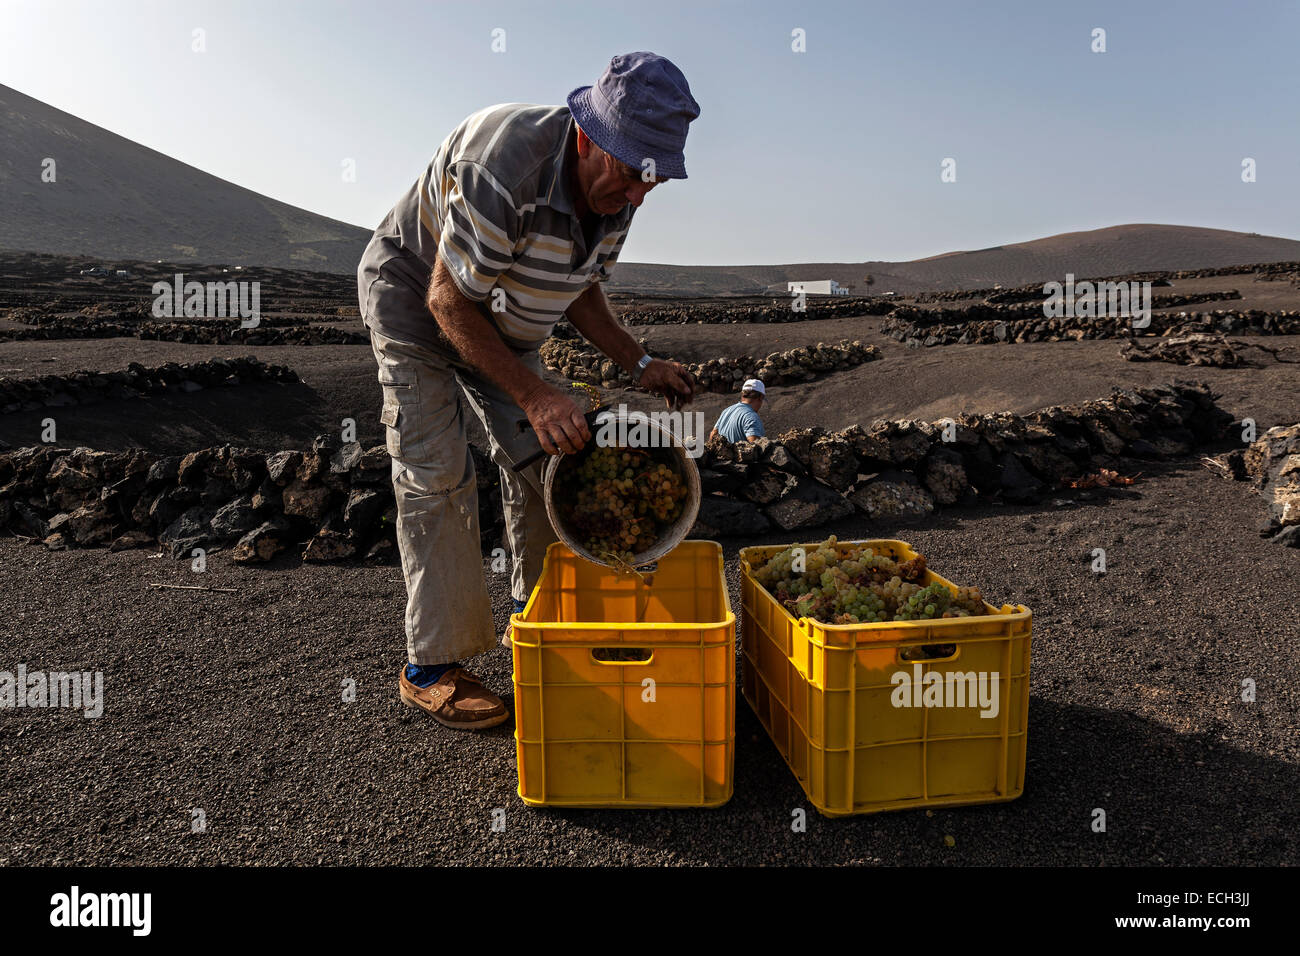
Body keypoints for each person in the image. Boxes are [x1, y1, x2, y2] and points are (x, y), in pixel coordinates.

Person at [356, 53, 699, 730]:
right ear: (587, 137)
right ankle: (431, 667)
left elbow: (581, 290)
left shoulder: (618, 194)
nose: (639, 194)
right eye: (633, 174)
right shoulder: (504, 162)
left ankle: (537, 620)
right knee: (436, 474)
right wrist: (535, 395)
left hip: (502, 322)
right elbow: (449, 304)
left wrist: (640, 362)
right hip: (418, 301)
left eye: (653, 182)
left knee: (547, 460)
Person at [710, 379, 766, 443]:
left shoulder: (726, 411)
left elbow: (713, 434)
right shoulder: (751, 416)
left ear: (743, 394)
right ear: (760, 397)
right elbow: (757, 446)